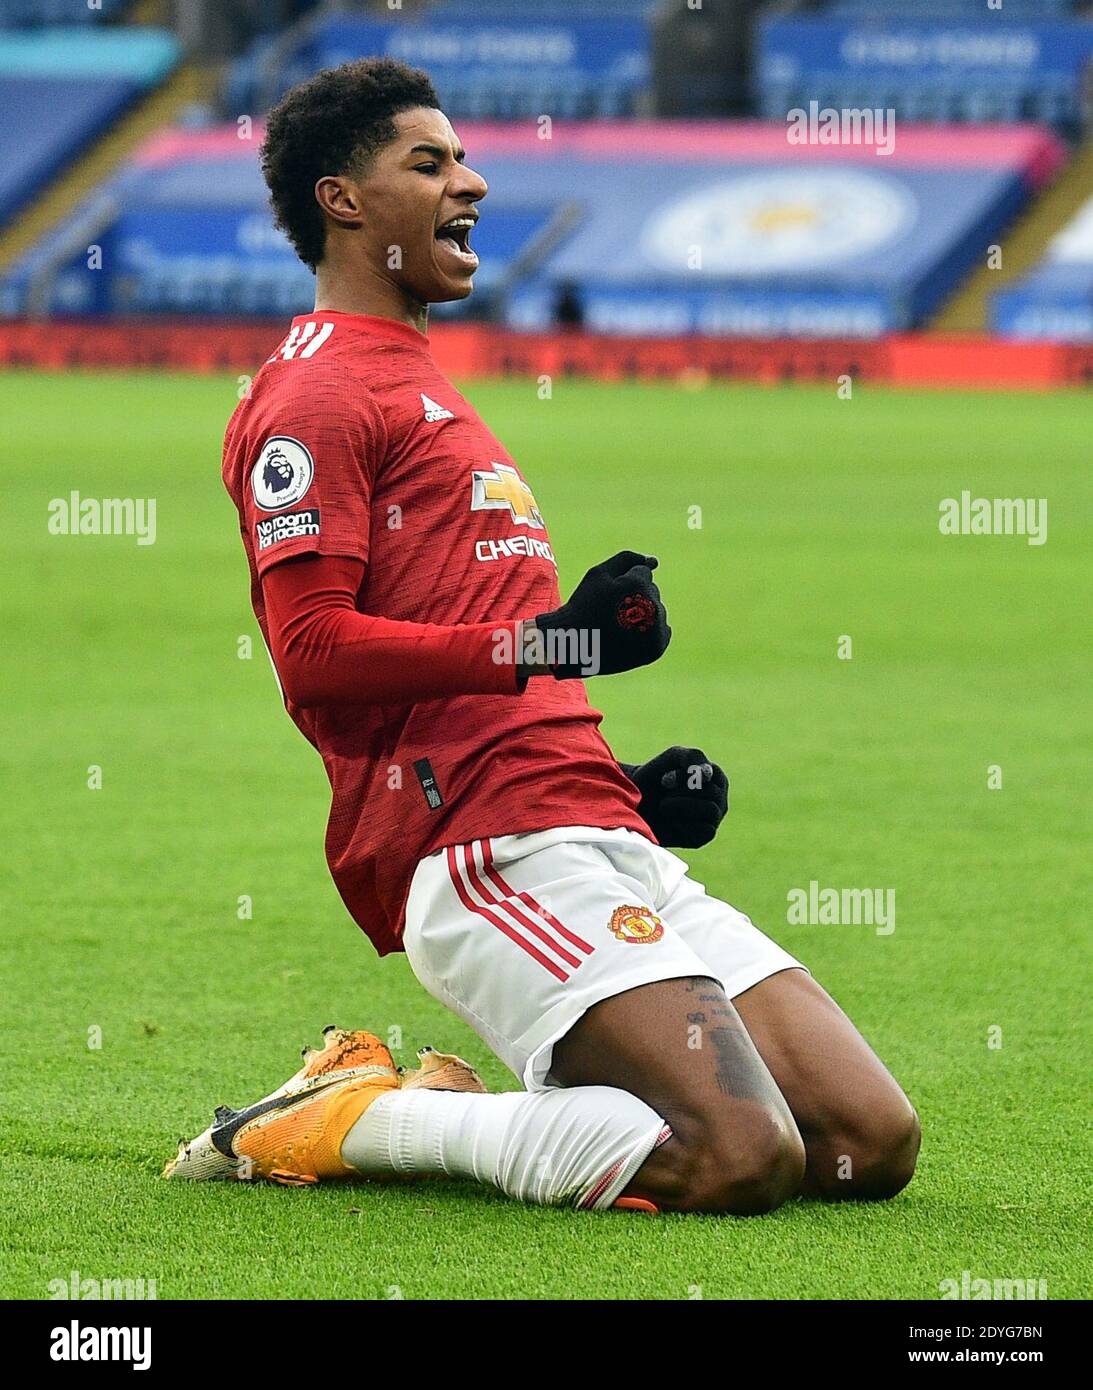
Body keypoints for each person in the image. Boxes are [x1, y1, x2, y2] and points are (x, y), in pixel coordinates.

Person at [166, 58, 919, 1214]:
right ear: (344, 200)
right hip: (477, 852)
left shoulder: (421, 379)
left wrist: (622, 780)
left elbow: (468, 643)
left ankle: (511, 1069)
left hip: (583, 822)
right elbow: (313, 653)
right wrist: (550, 646)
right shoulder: (314, 396)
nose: (469, 181)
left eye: (462, 157)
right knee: (736, 1156)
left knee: (864, 1142)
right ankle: (353, 1118)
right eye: (429, 162)